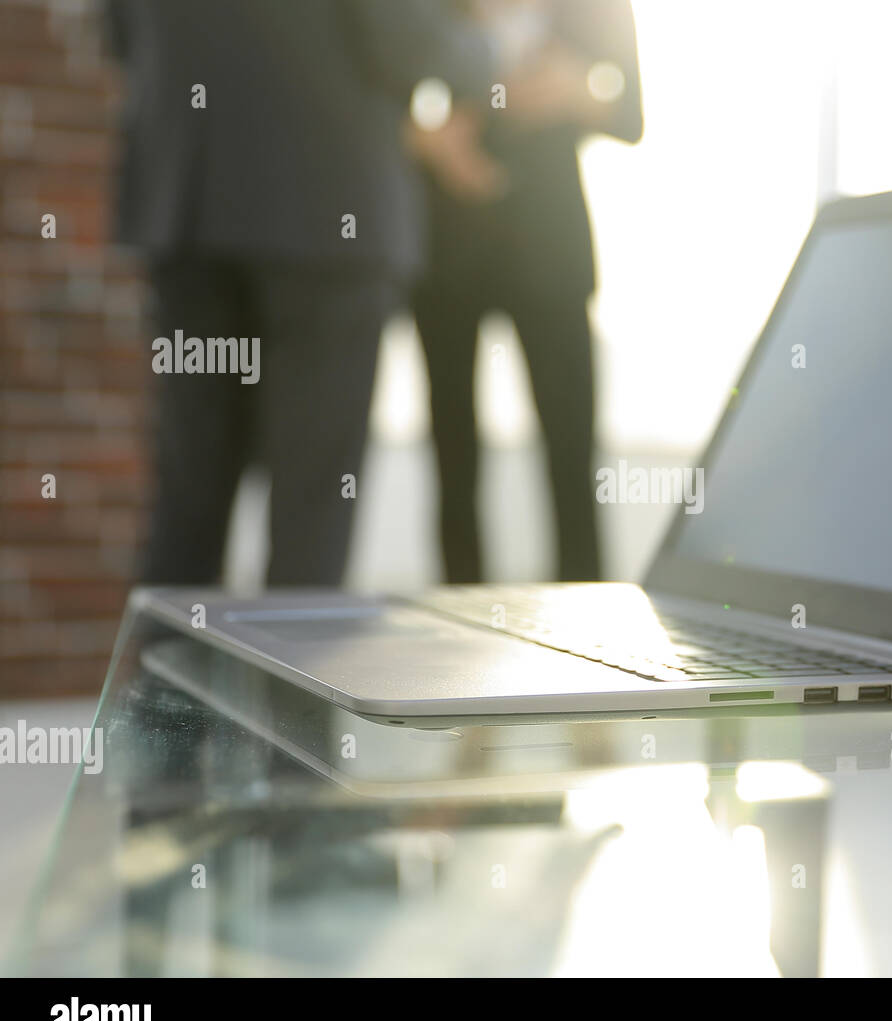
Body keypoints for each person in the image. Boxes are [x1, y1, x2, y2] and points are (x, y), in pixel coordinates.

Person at [107, 0, 497, 585]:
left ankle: (160, 676)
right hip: (324, 213)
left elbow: (120, 33)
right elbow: (406, 41)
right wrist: (489, 40)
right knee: (312, 506)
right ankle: (285, 677)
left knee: (189, 495)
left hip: (188, 202)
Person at [405, 0, 642, 583]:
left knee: (571, 451)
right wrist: (433, 141)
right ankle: (456, 624)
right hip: (450, 240)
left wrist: (572, 92)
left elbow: (631, 116)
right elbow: (388, 91)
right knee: (453, 452)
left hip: (551, 244)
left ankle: (585, 615)